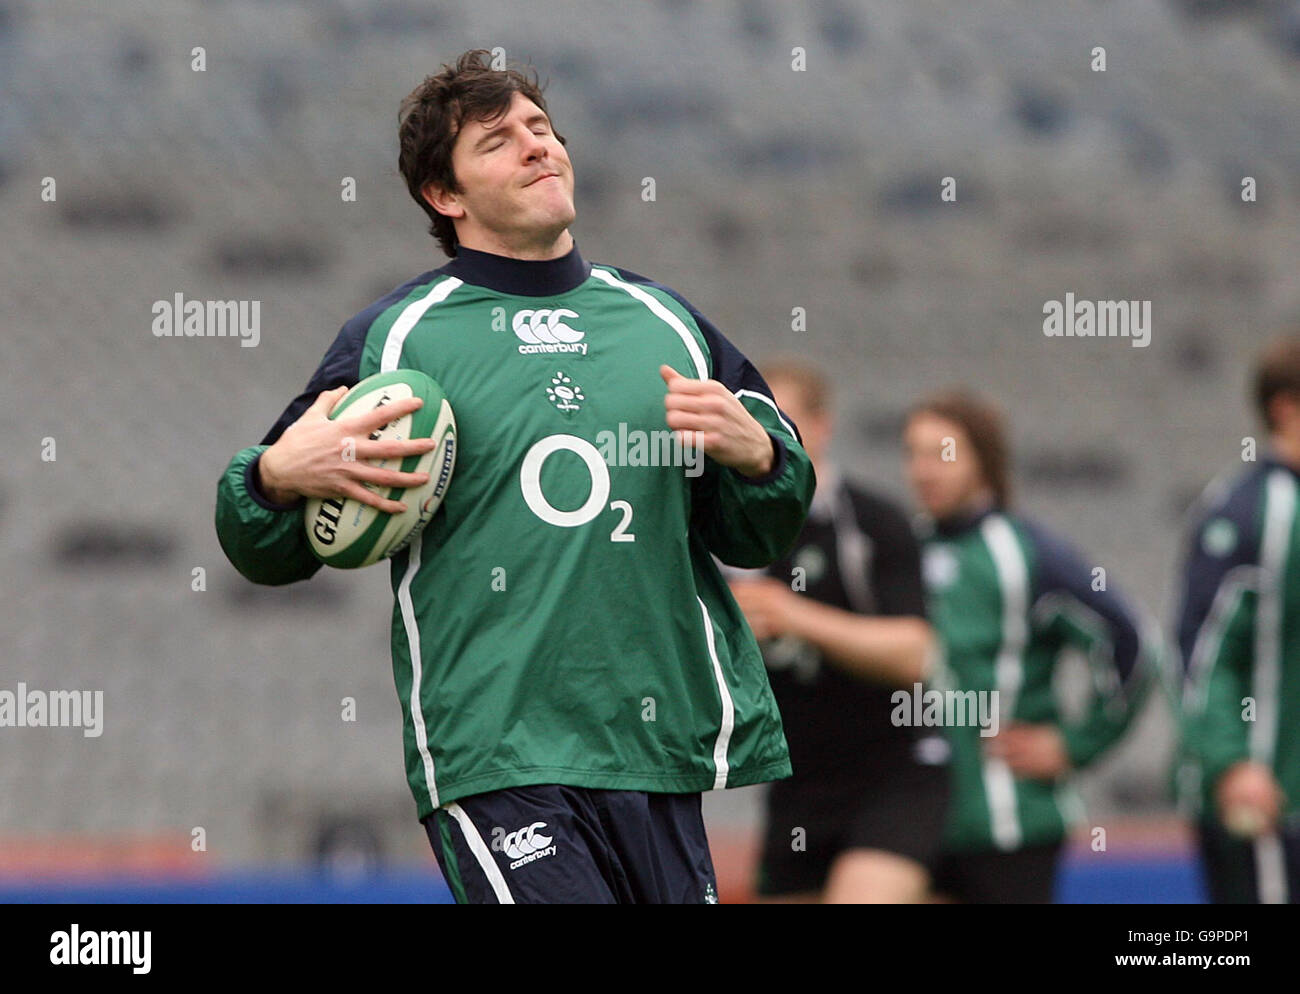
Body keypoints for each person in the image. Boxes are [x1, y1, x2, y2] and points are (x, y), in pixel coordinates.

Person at [213, 50, 814, 904]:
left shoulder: (666, 323)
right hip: (498, 753)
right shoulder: (398, 339)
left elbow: (759, 530)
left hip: (655, 746)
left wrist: (760, 459)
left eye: (542, 128)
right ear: (445, 196)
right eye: (498, 140)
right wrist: (276, 475)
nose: (539, 147)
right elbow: (262, 546)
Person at [902, 389, 1157, 902]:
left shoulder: (1025, 552)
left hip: (1009, 822)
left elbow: (1130, 642)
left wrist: (1075, 743)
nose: (924, 470)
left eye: (942, 454)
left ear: (984, 460)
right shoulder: (902, 547)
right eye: (914, 454)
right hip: (911, 819)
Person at [726, 359, 947, 903]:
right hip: (794, 786)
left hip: (891, 777)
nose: (768, 434)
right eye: (753, 418)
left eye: (784, 419)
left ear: (821, 427)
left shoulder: (871, 523)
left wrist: (793, 615)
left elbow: (915, 655)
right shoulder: (727, 533)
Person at [1176, 336, 1300, 903]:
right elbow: (1199, 650)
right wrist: (1232, 765)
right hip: (1264, 796)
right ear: (1285, 407)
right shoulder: (1248, 510)